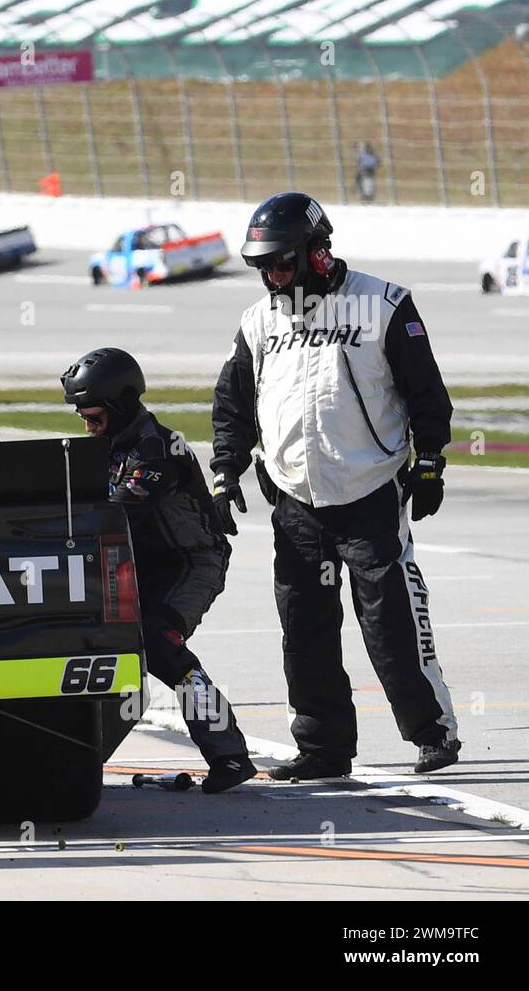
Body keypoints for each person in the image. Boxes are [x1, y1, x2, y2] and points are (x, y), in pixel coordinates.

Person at [211, 191, 460, 780]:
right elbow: (231, 407)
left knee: (391, 622)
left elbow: (428, 394)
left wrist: (429, 464)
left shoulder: (383, 303)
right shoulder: (259, 320)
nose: (272, 276)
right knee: (304, 630)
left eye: (281, 262)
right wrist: (226, 473)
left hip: (369, 493)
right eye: (263, 266)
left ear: (317, 253)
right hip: (296, 502)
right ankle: (323, 751)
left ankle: (434, 733)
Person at [61, 348, 256, 794]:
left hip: (192, 561)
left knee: (160, 643)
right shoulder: (109, 444)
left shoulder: (153, 452)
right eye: (83, 419)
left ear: (120, 406)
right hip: (143, 563)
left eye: (94, 417)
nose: (88, 428)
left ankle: (229, 754)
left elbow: (114, 517)